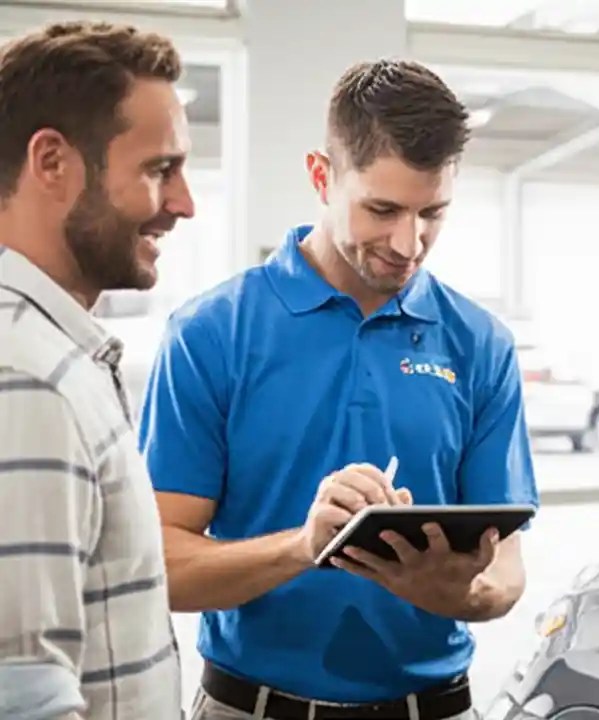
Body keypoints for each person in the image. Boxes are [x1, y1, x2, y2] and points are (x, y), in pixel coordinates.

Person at [138, 57, 538, 720]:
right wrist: (306, 546)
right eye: (382, 209)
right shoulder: (210, 333)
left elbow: (505, 574)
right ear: (322, 177)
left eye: (432, 213)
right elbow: (159, 567)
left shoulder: (481, 344)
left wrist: (452, 592)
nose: (409, 243)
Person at [0, 20, 195, 720]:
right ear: (52, 162)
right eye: (159, 170)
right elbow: (22, 698)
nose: (184, 203)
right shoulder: (27, 377)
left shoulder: (56, 354)